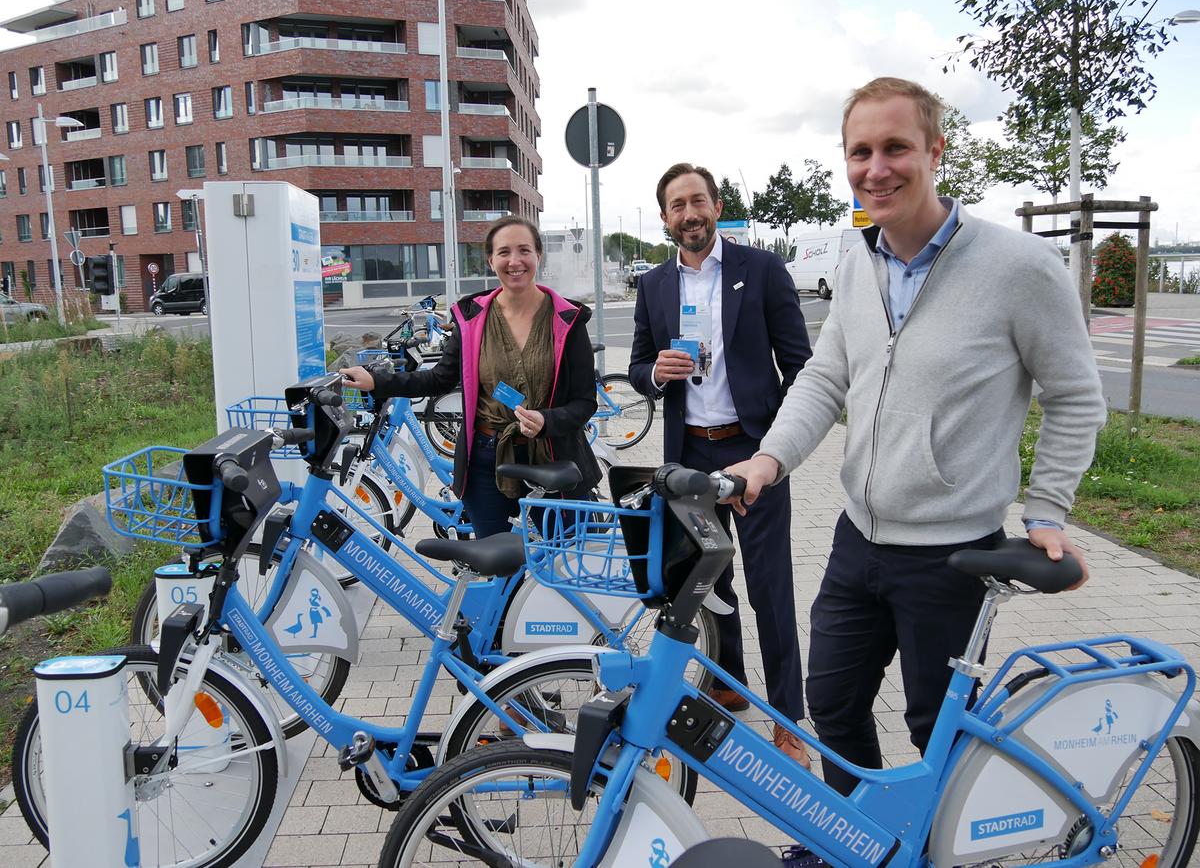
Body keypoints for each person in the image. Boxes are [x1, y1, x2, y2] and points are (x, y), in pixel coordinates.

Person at [724, 77, 1107, 794]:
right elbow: (824, 379)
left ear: (935, 150)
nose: (877, 169)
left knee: (938, 732)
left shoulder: (1019, 267)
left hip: (952, 554)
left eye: (895, 147)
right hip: (857, 540)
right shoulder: (857, 264)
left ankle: (942, 842)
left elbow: (1076, 397)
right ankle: (858, 839)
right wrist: (768, 460)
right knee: (832, 708)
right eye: (860, 152)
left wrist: (1047, 512)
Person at [628, 162, 813, 765]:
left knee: (770, 589)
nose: (690, 214)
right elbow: (637, 368)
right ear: (665, 219)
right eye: (677, 206)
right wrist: (656, 373)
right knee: (707, 583)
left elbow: (802, 367)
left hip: (752, 453)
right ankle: (727, 684)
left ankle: (788, 719)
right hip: (690, 456)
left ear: (717, 206)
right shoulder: (654, 285)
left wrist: (773, 448)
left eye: (698, 201)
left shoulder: (762, 270)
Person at [341, 215, 602, 538]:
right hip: (486, 460)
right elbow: (438, 379)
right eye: (504, 252)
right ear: (491, 260)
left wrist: (547, 420)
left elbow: (584, 402)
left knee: (563, 558)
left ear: (538, 255)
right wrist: (378, 382)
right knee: (497, 560)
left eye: (524, 250)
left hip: (553, 455)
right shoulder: (472, 320)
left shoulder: (567, 319)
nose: (515, 261)